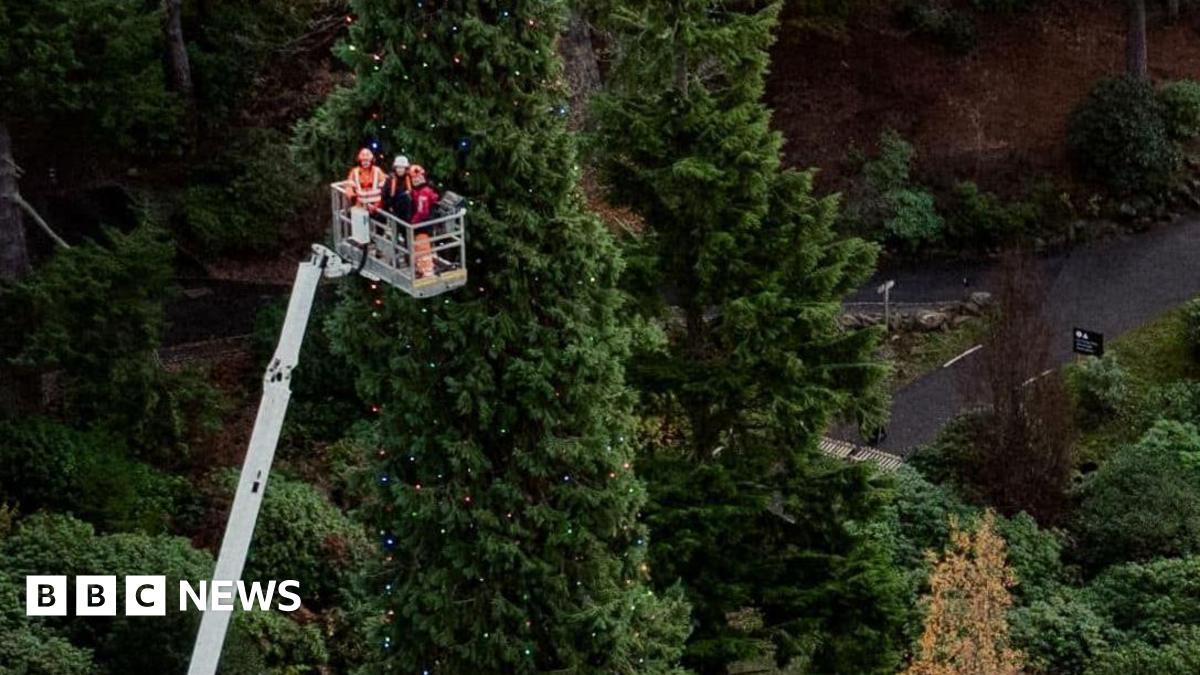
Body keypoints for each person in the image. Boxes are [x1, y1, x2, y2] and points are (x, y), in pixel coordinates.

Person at [346, 148, 387, 213]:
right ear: (360, 161)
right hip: (360, 204)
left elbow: (384, 187)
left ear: (371, 161)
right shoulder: (354, 172)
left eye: (367, 161)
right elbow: (349, 187)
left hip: (376, 205)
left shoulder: (377, 171)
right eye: (363, 161)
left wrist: (377, 205)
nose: (365, 163)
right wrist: (353, 197)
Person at [383, 155, 412, 220]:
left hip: (406, 209)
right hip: (393, 207)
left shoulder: (409, 178)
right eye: (398, 168)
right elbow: (384, 194)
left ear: (405, 168)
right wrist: (389, 206)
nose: (400, 170)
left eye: (402, 168)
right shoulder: (390, 179)